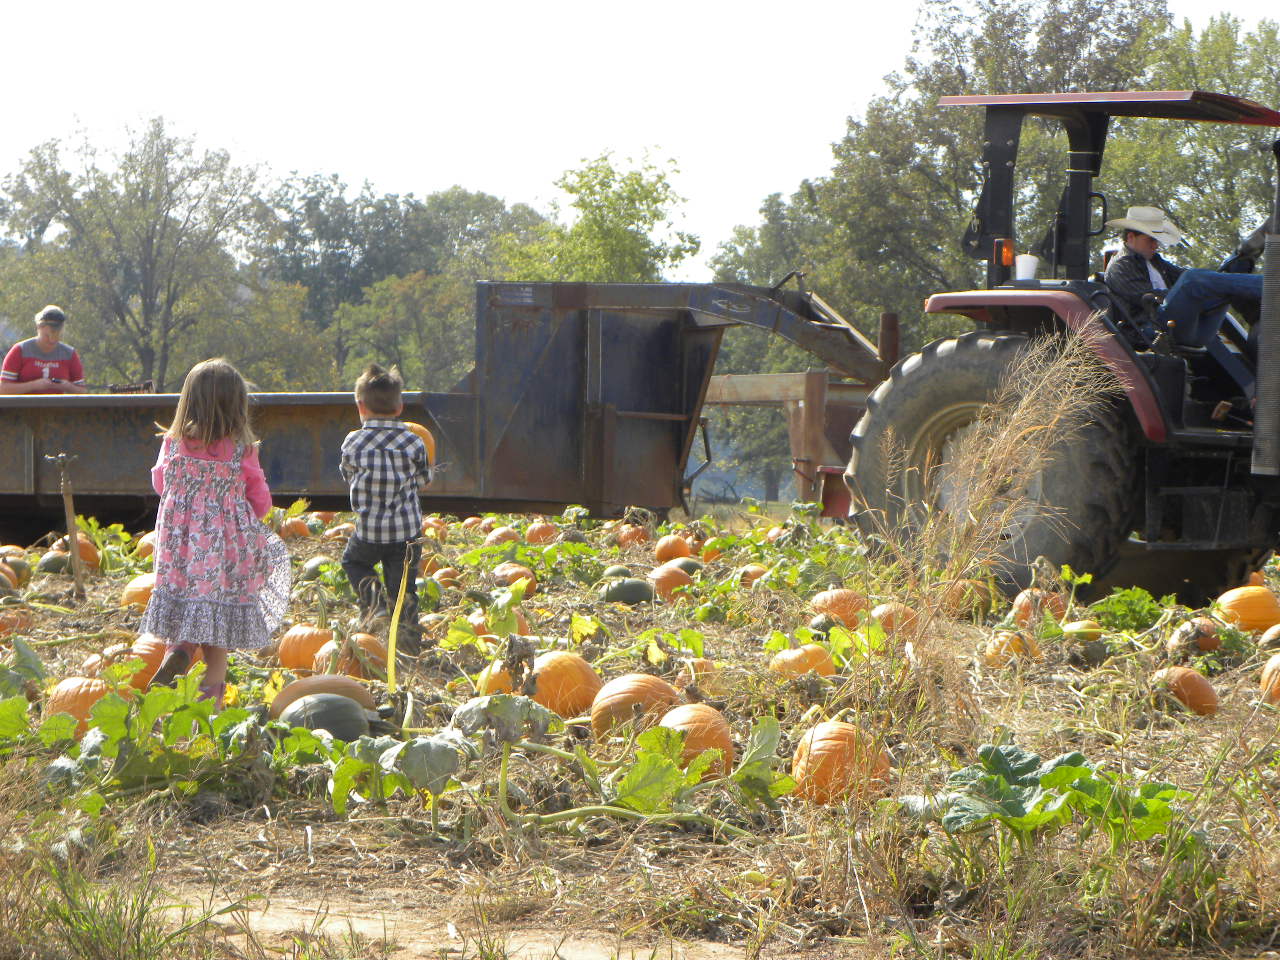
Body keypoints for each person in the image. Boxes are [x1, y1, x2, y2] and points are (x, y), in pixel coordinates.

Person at [144, 358, 291, 704]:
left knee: (182, 614)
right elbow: (260, 500)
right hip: (223, 554)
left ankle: (177, 653)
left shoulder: (174, 443)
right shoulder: (241, 449)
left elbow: (159, 482)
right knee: (218, 636)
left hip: (178, 553)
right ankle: (211, 709)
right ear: (238, 406)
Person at [339, 363, 432, 655]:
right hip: (406, 533)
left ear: (360, 406)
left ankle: (375, 605)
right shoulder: (414, 441)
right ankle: (408, 645)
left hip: (368, 530)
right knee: (404, 588)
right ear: (400, 407)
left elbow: (347, 474)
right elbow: (423, 481)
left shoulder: (353, 442)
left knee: (354, 563)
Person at [1103, 206, 1263, 349]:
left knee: (1222, 279)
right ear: (1131, 237)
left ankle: (1260, 315)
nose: (1155, 245)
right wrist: (1184, 295)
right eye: (1150, 239)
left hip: (1190, 329)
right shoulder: (1120, 266)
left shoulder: (1157, 262)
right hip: (1153, 330)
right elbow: (1148, 299)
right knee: (1194, 279)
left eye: (1156, 240)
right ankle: (1270, 285)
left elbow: (1190, 278)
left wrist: (1208, 286)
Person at [0, 305, 88, 394]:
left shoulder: (69, 354)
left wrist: (66, 386)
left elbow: (82, 391)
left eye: (57, 336)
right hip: (23, 406)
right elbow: (3, 389)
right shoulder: (20, 350)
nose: (52, 340)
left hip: (57, 407)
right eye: (47, 336)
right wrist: (33, 385)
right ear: (39, 328)